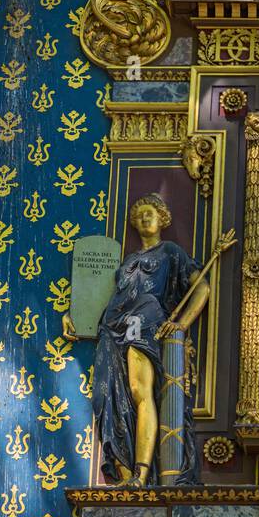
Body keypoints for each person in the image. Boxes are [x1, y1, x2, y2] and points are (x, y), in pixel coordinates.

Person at [91, 194, 208, 486]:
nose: (145, 218)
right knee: (109, 395)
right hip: (113, 327)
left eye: (150, 213)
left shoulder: (170, 251)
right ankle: (125, 472)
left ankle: (141, 473)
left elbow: (202, 288)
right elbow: (107, 298)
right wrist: (77, 318)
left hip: (144, 319)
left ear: (162, 219)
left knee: (138, 389)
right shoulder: (129, 260)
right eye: (140, 214)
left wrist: (180, 324)